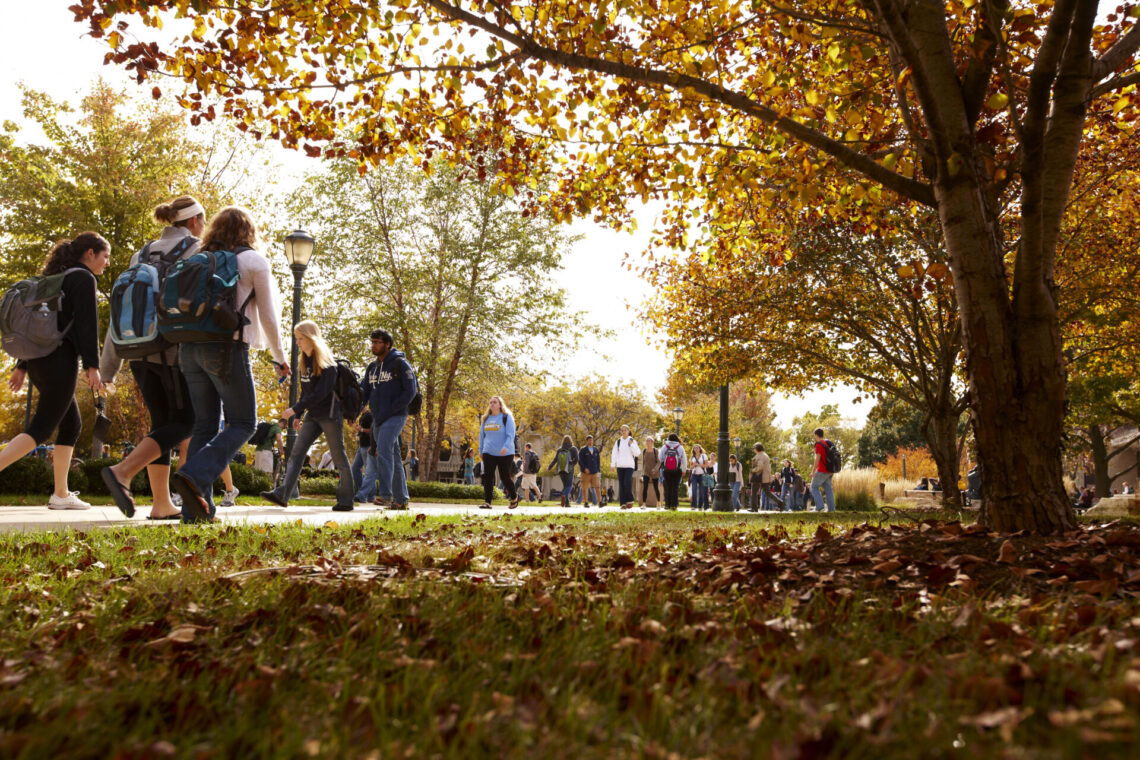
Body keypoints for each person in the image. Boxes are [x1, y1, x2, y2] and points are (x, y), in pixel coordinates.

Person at [170, 207, 290, 523]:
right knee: (243, 422)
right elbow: (268, 315)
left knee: (205, 426)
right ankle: (194, 475)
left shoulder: (198, 258)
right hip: (225, 349)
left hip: (189, 348)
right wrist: (280, 357)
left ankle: (195, 512)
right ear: (249, 231)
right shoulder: (253, 260)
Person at [0, 232, 109, 509]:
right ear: (90, 253)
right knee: (41, 428)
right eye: (105, 256)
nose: (106, 263)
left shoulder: (55, 280)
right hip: (60, 361)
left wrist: (22, 365)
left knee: (71, 424)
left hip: (39, 360)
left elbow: (40, 327)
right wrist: (92, 366)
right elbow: (87, 325)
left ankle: (61, 494)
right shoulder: (83, 278)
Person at [260, 321, 354, 512]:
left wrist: (294, 409)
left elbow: (320, 393)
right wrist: (299, 415)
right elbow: (306, 392)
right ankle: (282, 495)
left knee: (338, 457)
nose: (298, 343)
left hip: (329, 415)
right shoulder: (304, 361)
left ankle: (346, 500)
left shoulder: (328, 365)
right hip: (313, 415)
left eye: (300, 338)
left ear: (311, 338)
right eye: (297, 339)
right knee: (296, 454)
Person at [360, 328, 418, 510]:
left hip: (396, 416)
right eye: (372, 342)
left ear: (387, 344)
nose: (374, 345)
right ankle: (401, 499)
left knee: (384, 450)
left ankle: (386, 494)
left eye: (377, 342)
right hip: (378, 418)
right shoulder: (372, 367)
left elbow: (411, 391)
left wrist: (392, 409)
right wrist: (357, 409)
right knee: (392, 456)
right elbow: (365, 391)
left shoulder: (400, 364)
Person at [477, 395, 519, 510]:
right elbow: (482, 436)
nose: (492, 404)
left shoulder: (507, 417)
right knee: (488, 477)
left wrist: (506, 446)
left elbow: (511, 434)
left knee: (504, 477)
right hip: (488, 451)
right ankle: (487, 502)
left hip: (504, 453)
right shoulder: (485, 419)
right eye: (490, 402)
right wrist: (481, 450)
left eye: (494, 402)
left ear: (500, 405)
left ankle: (514, 497)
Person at [610, 425, 641, 509]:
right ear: (621, 431)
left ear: (628, 431)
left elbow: (637, 453)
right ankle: (623, 503)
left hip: (629, 466)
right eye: (622, 430)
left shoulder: (632, 440)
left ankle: (630, 500)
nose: (624, 432)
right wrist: (613, 464)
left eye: (625, 430)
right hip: (620, 466)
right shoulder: (618, 441)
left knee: (627, 482)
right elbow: (614, 453)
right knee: (621, 484)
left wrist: (631, 445)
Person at [810, 427, 837, 513]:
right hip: (830, 470)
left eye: (814, 435)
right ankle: (831, 509)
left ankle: (819, 507)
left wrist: (813, 471)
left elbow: (817, 459)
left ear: (816, 435)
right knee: (828, 489)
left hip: (822, 470)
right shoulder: (828, 443)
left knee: (813, 487)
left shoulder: (819, 444)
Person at [548, 435, 578, 507]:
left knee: (565, 485)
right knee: (569, 485)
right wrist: (572, 465)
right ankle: (563, 494)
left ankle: (567, 503)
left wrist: (550, 467)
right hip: (569, 470)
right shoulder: (573, 449)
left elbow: (555, 459)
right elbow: (577, 459)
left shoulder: (560, 449)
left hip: (561, 470)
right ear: (571, 441)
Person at [659, 433, 687, 510]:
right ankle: (674, 505)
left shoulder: (665, 447)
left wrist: (665, 462)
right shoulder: (680, 447)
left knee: (667, 487)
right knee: (675, 487)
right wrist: (684, 470)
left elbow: (660, 457)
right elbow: (684, 459)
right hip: (677, 470)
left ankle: (667, 505)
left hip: (666, 470)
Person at [578, 435, 602, 506]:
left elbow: (598, 460)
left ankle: (600, 502)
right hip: (586, 472)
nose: (591, 441)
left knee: (597, 486)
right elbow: (580, 461)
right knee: (585, 487)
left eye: (592, 440)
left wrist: (598, 469)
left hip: (595, 471)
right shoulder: (583, 450)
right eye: (589, 440)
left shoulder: (595, 450)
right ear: (587, 441)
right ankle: (586, 502)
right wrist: (584, 468)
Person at [749, 443, 771, 512]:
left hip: (758, 477)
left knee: (754, 492)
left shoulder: (760, 456)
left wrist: (753, 470)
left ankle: (754, 508)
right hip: (763, 477)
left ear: (757, 448)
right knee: (767, 493)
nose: (753, 450)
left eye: (754, 448)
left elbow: (760, 467)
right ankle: (781, 503)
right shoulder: (764, 455)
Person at [640, 435, 660, 508]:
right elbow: (644, 462)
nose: (647, 442)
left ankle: (658, 503)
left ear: (652, 442)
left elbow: (659, 462)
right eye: (646, 441)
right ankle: (644, 504)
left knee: (656, 488)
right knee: (645, 487)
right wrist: (643, 472)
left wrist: (655, 469)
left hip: (654, 471)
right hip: (646, 471)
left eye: (649, 441)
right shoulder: (644, 451)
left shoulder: (655, 450)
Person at [688, 444, 710, 510]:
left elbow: (706, 465)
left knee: (701, 491)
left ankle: (700, 506)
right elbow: (690, 468)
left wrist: (698, 464)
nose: (696, 449)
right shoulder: (692, 457)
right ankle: (693, 506)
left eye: (697, 448)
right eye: (694, 448)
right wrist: (693, 465)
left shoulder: (704, 456)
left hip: (702, 475)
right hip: (694, 475)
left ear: (700, 449)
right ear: (693, 450)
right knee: (694, 490)